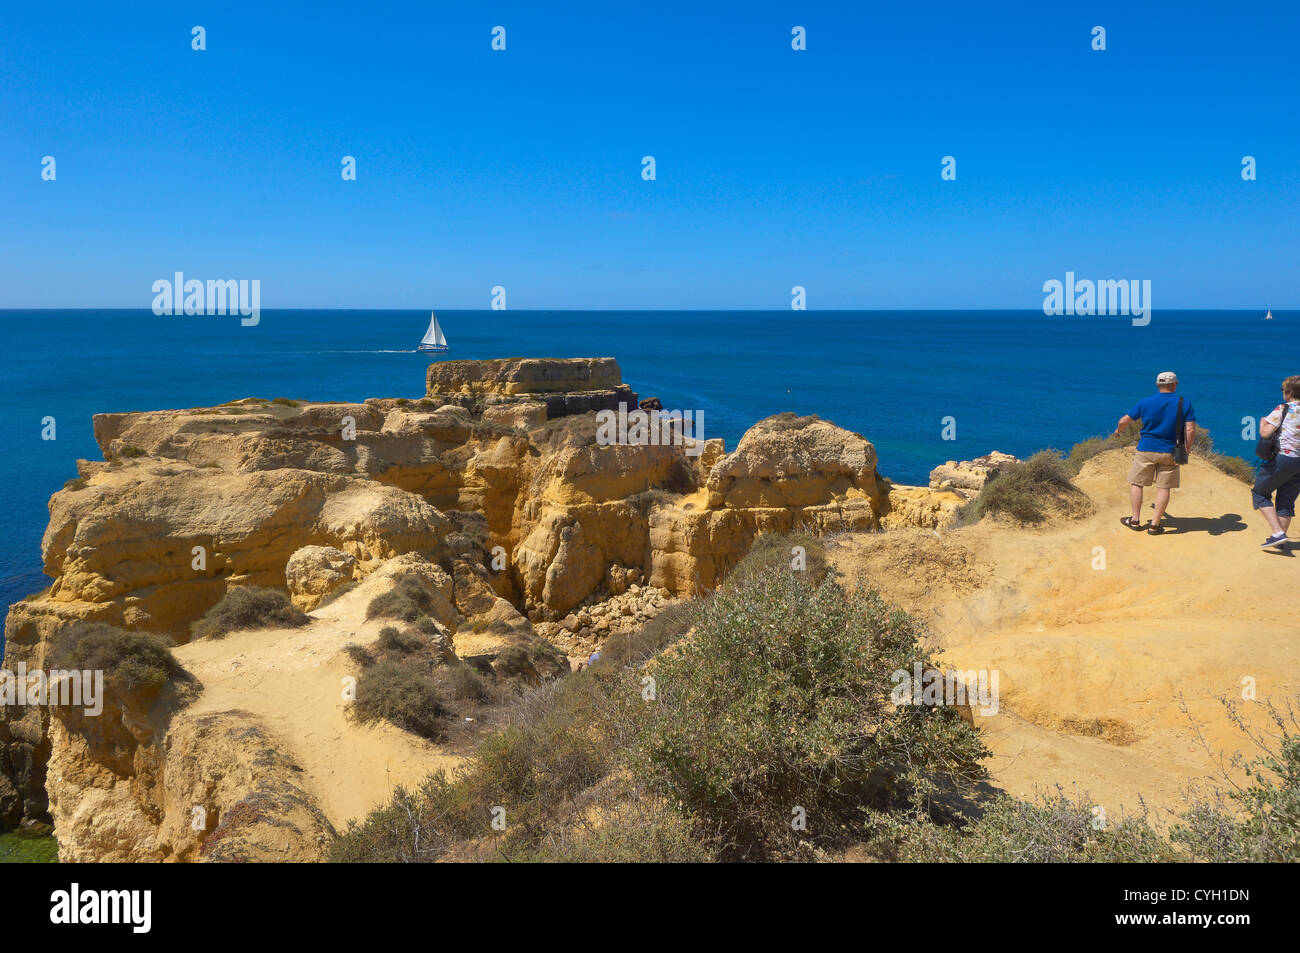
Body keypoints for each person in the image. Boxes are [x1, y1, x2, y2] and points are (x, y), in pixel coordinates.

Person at [1114, 371, 1196, 535]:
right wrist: (1187, 449)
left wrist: (1119, 431)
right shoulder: (1183, 403)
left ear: (1158, 385)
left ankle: (1135, 520)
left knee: (1137, 484)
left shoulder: (1145, 402)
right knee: (1163, 488)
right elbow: (1190, 428)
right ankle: (1154, 525)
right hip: (1170, 451)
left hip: (1146, 449)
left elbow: (1124, 421)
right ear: (1174, 385)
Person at [1251, 375, 1300, 549]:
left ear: (1290, 392)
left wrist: (1262, 423)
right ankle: (1280, 541)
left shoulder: (1283, 408)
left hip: (1284, 458)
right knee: (1286, 500)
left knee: (1260, 492)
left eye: (1283, 390)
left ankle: (1278, 533)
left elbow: (1265, 433)